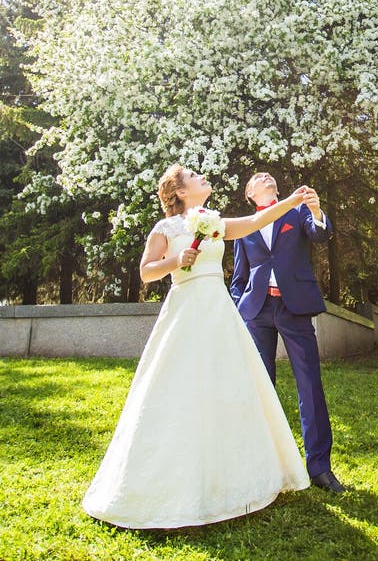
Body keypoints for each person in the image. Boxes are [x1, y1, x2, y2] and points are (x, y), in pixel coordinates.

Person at [82, 165, 311, 530]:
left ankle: (238, 479)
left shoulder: (215, 221)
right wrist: (176, 261)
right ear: (181, 191)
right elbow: (146, 271)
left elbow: (254, 221)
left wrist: (293, 200)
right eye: (192, 175)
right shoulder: (166, 229)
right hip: (186, 310)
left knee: (230, 387)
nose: (202, 175)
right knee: (181, 386)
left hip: (219, 312)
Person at [230, 172, 345, 494]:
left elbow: (320, 235)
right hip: (257, 313)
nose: (265, 175)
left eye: (269, 175)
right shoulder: (246, 226)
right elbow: (238, 277)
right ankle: (262, 464)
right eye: (256, 177)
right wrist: (239, 307)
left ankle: (320, 468)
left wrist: (317, 211)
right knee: (260, 389)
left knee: (310, 386)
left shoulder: (297, 212)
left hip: (294, 309)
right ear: (250, 193)